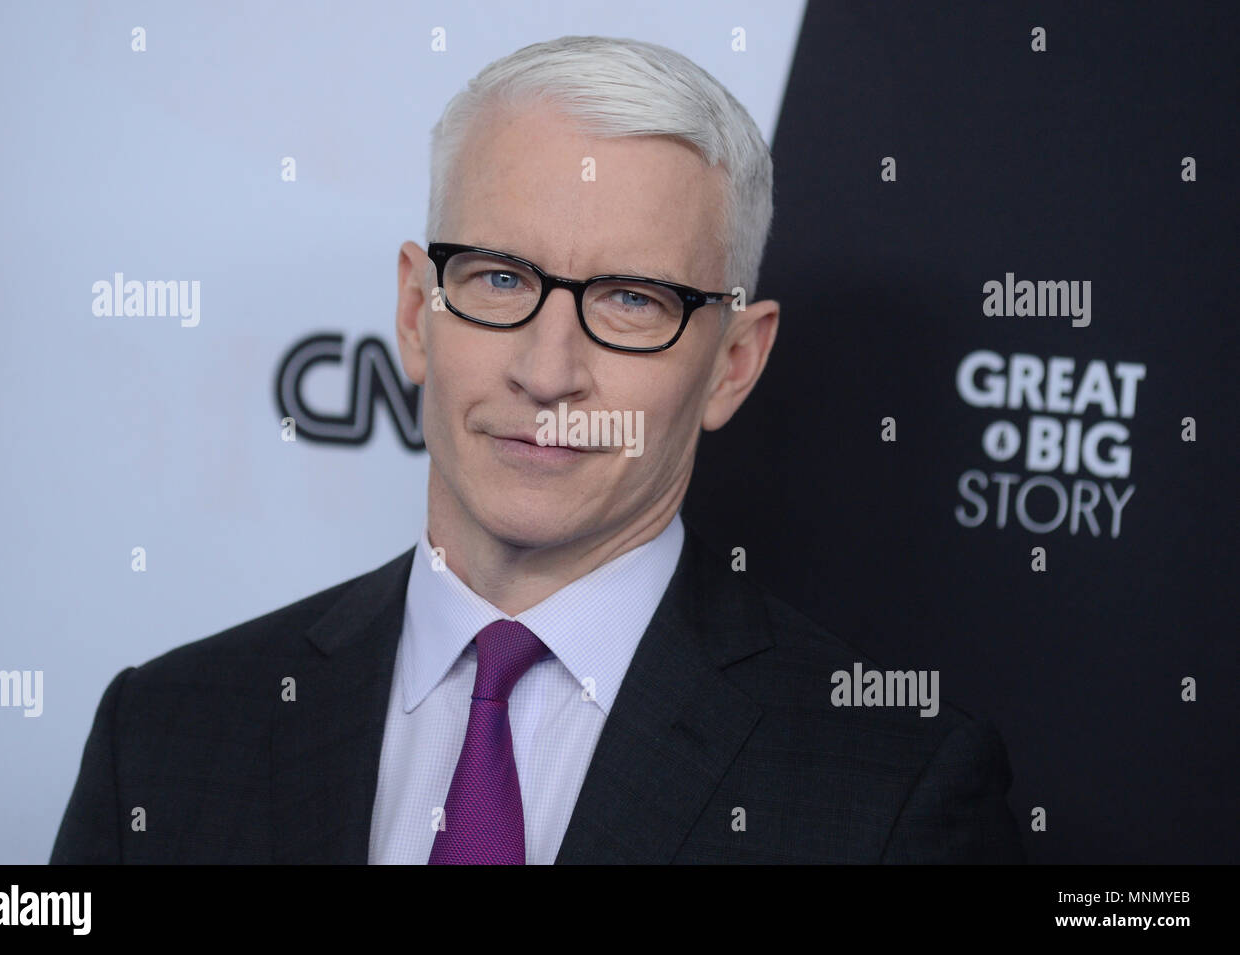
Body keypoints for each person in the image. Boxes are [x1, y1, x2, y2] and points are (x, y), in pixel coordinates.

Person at [51, 35, 1024, 864]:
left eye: (630, 299)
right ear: (415, 311)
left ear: (732, 361)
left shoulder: (892, 792)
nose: (547, 370)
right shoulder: (169, 732)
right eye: (500, 277)